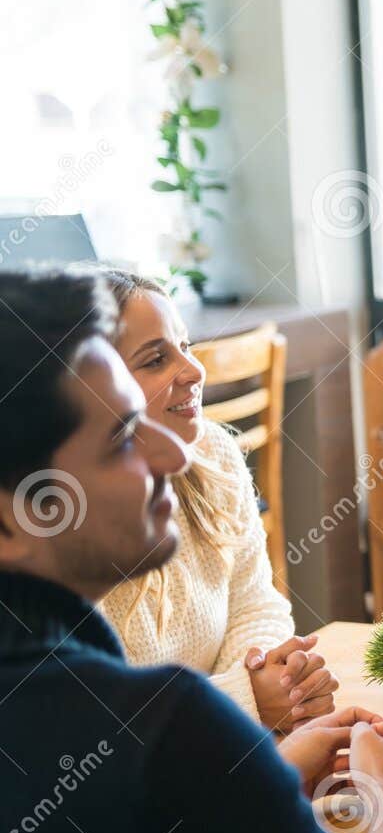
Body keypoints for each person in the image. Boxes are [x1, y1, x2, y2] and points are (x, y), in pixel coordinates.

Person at [0, 266, 383, 833]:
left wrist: (252, 749)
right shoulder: (161, 727)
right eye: (122, 436)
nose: (175, 453)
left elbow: (254, 601)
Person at [93, 268, 336, 730]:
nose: (195, 370)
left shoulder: (212, 454)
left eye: (184, 346)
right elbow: (96, 732)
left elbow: (255, 602)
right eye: (154, 360)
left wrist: (278, 679)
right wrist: (247, 701)